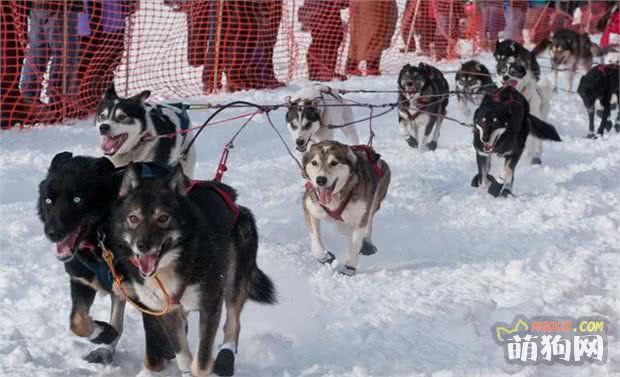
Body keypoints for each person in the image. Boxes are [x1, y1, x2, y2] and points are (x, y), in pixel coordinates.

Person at [78, 0, 138, 113]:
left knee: (110, 61)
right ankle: (84, 100)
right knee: (86, 64)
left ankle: (103, 97)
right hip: (89, 25)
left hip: (114, 22)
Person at [20, 1, 83, 105]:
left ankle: (29, 96)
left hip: (39, 6)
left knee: (37, 52)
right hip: (60, 7)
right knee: (64, 54)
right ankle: (58, 100)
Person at [346, 0, 397, 76]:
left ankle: (352, 67)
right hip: (375, 5)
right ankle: (371, 69)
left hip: (360, 4)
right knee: (376, 33)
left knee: (359, 34)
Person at [299, 0, 347, 81]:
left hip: (316, 11)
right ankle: (323, 73)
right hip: (324, 12)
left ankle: (319, 72)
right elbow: (344, 3)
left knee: (321, 41)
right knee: (330, 40)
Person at [1, 2, 29, 129]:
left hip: (17, 9)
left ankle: (12, 107)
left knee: (15, 53)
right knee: (10, 55)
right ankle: (7, 110)